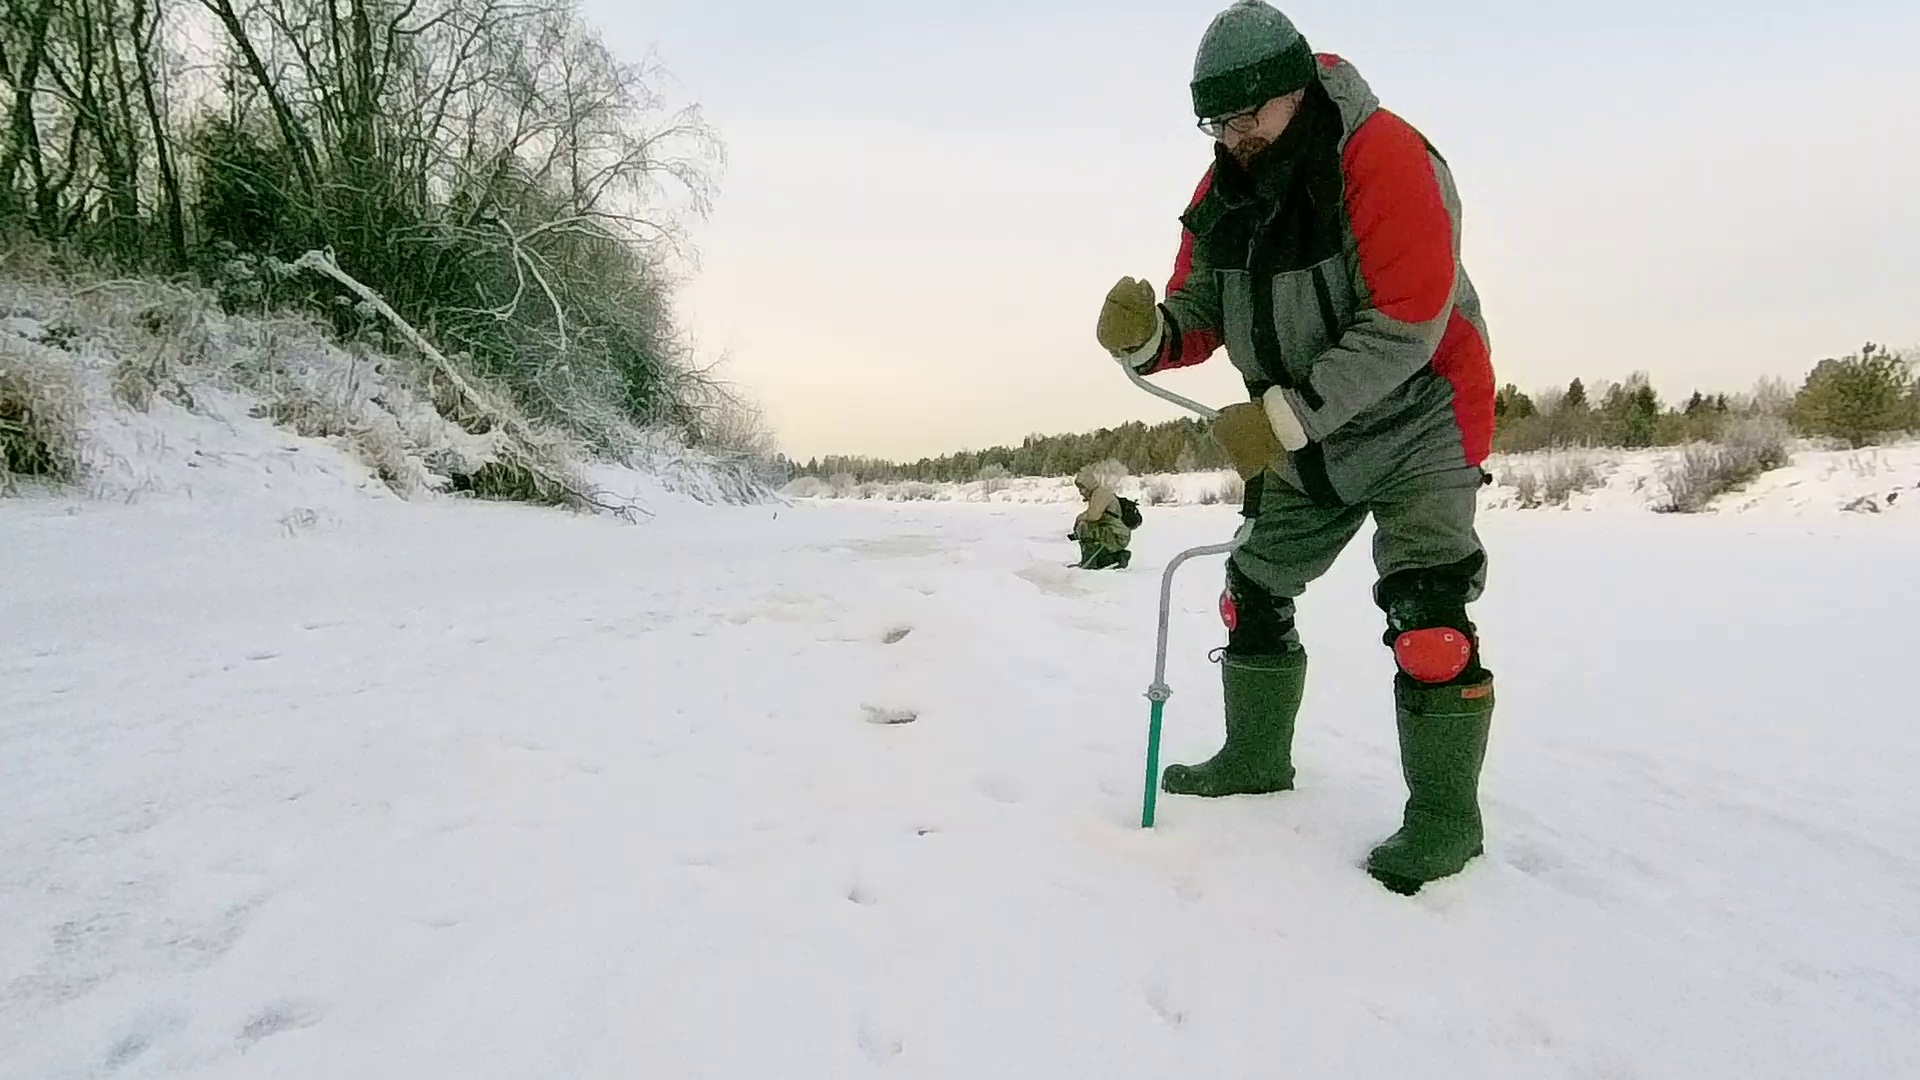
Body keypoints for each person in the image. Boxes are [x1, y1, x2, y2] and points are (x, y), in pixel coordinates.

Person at [1094, 0, 1498, 895]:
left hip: (1419, 419)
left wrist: (1281, 419)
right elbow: (1200, 315)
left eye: (1248, 115)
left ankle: (1444, 821)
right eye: (1217, 120)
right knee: (1254, 589)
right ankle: (1254, 757)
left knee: (1427, 620)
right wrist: (1144, 337)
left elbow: (1405, 325)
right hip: (1305, 432)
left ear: (1294, 91)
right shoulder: (1222, 190)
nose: (1233, 136)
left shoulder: (1386, 157)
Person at [1068, 466, 1132, 570]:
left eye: (1082, 488)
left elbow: (1093, 516)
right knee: (1087, 528)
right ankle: (1116, 558)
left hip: (1116, 534)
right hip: (1116, 532)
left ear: (1088, 485)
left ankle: (1089, 562)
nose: (1081, 492)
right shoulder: (1098, 494)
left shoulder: (1100, 494)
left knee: (1084, 528)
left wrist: (1079, 519)